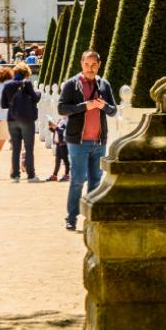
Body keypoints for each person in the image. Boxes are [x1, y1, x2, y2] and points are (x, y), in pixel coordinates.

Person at [58, 51, 118, 232]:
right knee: (77, 179)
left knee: (95, 181)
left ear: (99, 65)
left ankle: (91, 217)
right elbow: (61, 108)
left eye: (93, 65)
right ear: (81, 64)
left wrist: (103, 106)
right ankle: (71, 218)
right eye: (87, 65)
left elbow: (113, 111)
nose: (90, 69)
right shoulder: (71, 84)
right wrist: (84, 106)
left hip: (99, 141)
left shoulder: (104, 85)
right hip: (78, 141)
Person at [1, 64, 42, 183]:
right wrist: (38, 93)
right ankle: (31, 175)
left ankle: (15, 175)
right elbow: (35, 98)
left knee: (15, 149)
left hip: (12, 119)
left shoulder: (7, 85)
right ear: (26, 73)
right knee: (29, 148)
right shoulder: (27, 83)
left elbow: (3, 105)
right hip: (26, 119)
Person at [47, 115, 70, 182]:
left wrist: (56, 127)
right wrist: (51, 127)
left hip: (64, 144)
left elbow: (64, 132)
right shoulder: (60, 120)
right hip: (58, 144)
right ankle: (54, 175)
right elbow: (55, 131)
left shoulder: (68, 121)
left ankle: (67, 175)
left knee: (66, 161)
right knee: (57, 161)